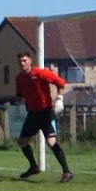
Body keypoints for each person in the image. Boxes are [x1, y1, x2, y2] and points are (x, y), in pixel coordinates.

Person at [14, 51, 73, 183]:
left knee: (51, 142)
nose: (22, 63)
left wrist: (59, 98)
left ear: (30, 61)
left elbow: (60, 83)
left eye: (24, 60)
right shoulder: (19, 78)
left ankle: (67, 172)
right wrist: (18, 104)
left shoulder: (40, 73)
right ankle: (34, 167)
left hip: (45, 112)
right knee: (22, 141)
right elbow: (19, 95)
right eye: (20, 61)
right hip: (32, 114)